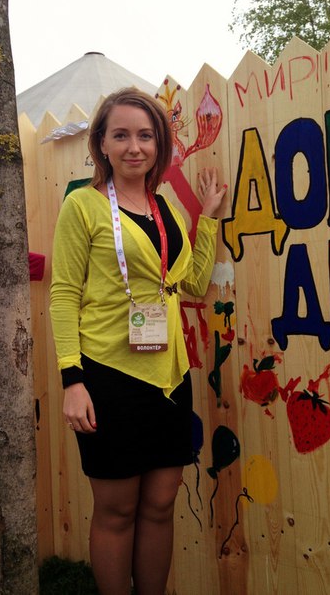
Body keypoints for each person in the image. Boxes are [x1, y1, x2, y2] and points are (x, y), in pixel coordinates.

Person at [50, 87, 226, 595]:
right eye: (121, 135)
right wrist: (72, 380)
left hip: (169, 376)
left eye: (146, 136)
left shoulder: (165, 207)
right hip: (106, 377)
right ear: (101, 143)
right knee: (116, 511)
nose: (134, 147)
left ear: (159, 144)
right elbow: (63, 294)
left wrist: (208, 219)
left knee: (161, 505)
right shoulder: (82, 206)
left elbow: (191, 283)